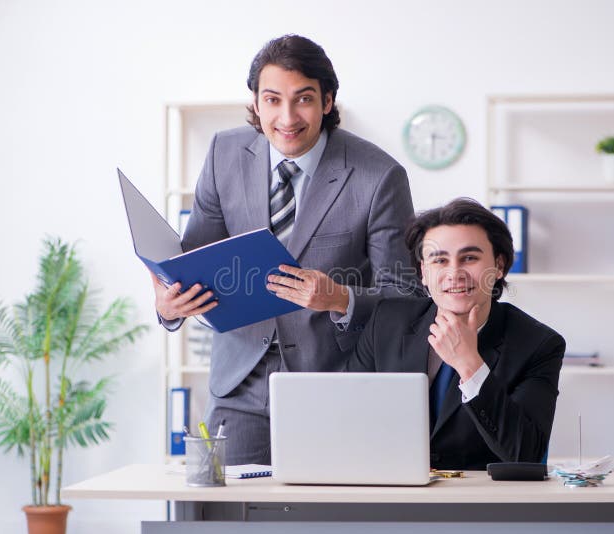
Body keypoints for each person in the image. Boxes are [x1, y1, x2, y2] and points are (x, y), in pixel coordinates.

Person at [151, 35, 417, 465]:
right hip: (237, 390)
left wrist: (340, 298)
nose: (287, 117)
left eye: (304, 99)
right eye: (272, 99)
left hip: (334, 388)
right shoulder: (224, 153)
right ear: (255, 103)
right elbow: (193, 261)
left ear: (328, 101)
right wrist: (169, 303)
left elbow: (407, 298)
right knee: (222, 518)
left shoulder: (379, 176)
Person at [347, 198, 565, 470]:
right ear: (424, 273)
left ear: (499, 266)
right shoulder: (386, 322)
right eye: (439, 260)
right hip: (392, 490)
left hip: (479, 504)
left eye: (469, 258)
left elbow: (526, 455)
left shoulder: (538, 345)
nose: (454, 273)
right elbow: (349, 414)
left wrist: (470, 366)